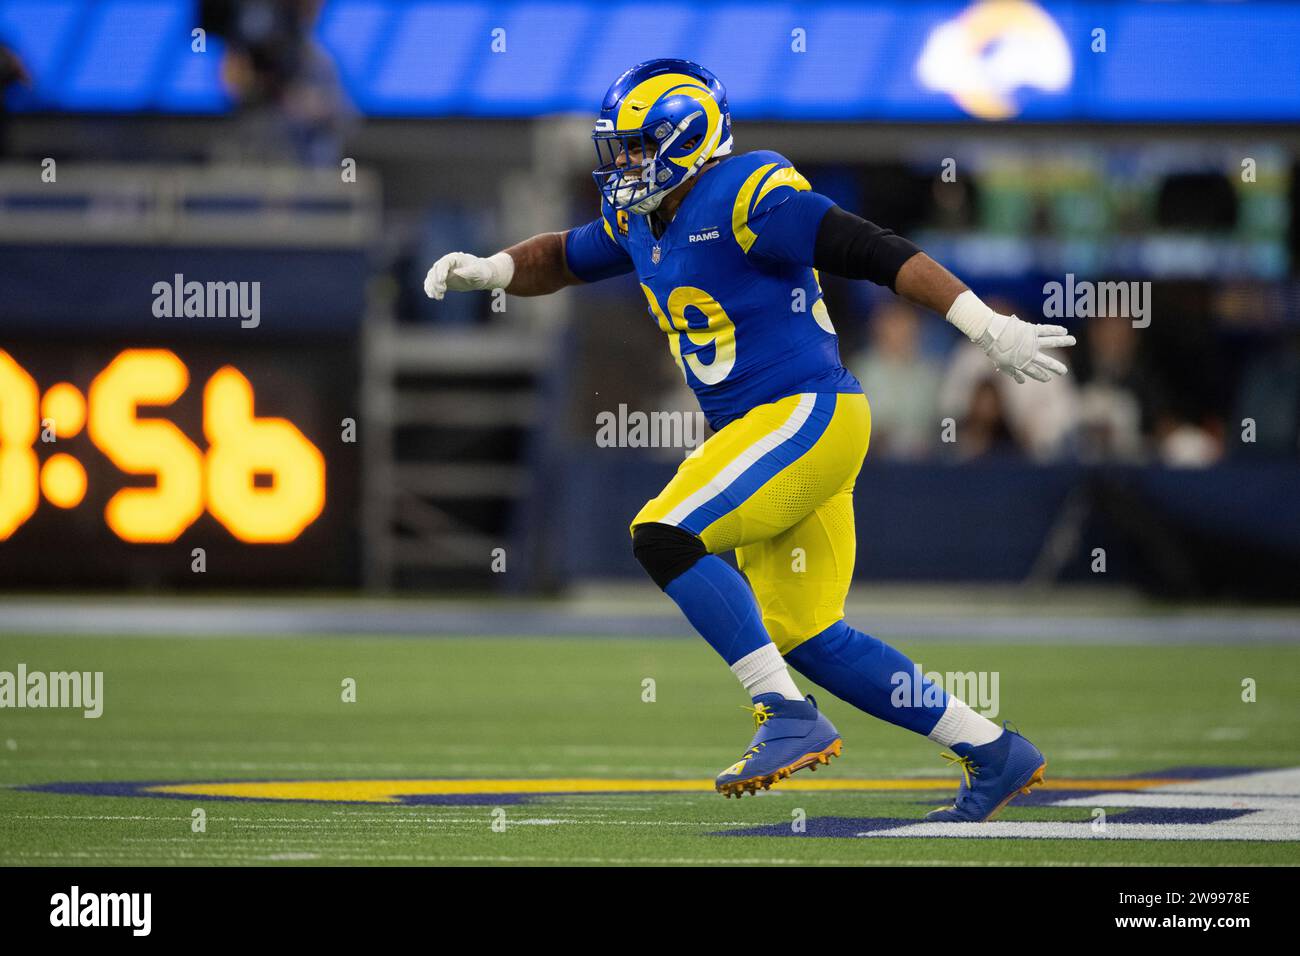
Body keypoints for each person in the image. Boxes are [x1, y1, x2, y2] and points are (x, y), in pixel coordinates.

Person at [424, 60, 1075, 820]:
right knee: (808, 634)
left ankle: (787, 716)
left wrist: (985, 325)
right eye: (621, 149)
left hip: (804, 413)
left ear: (685, 139)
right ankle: (994, 752)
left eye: (637, 147)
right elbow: (564, 256)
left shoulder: (746, 194)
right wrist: (491, 270)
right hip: (780, 429)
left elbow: (873, 249)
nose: (624, 165)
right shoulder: (645, 218)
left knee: (664, 533)